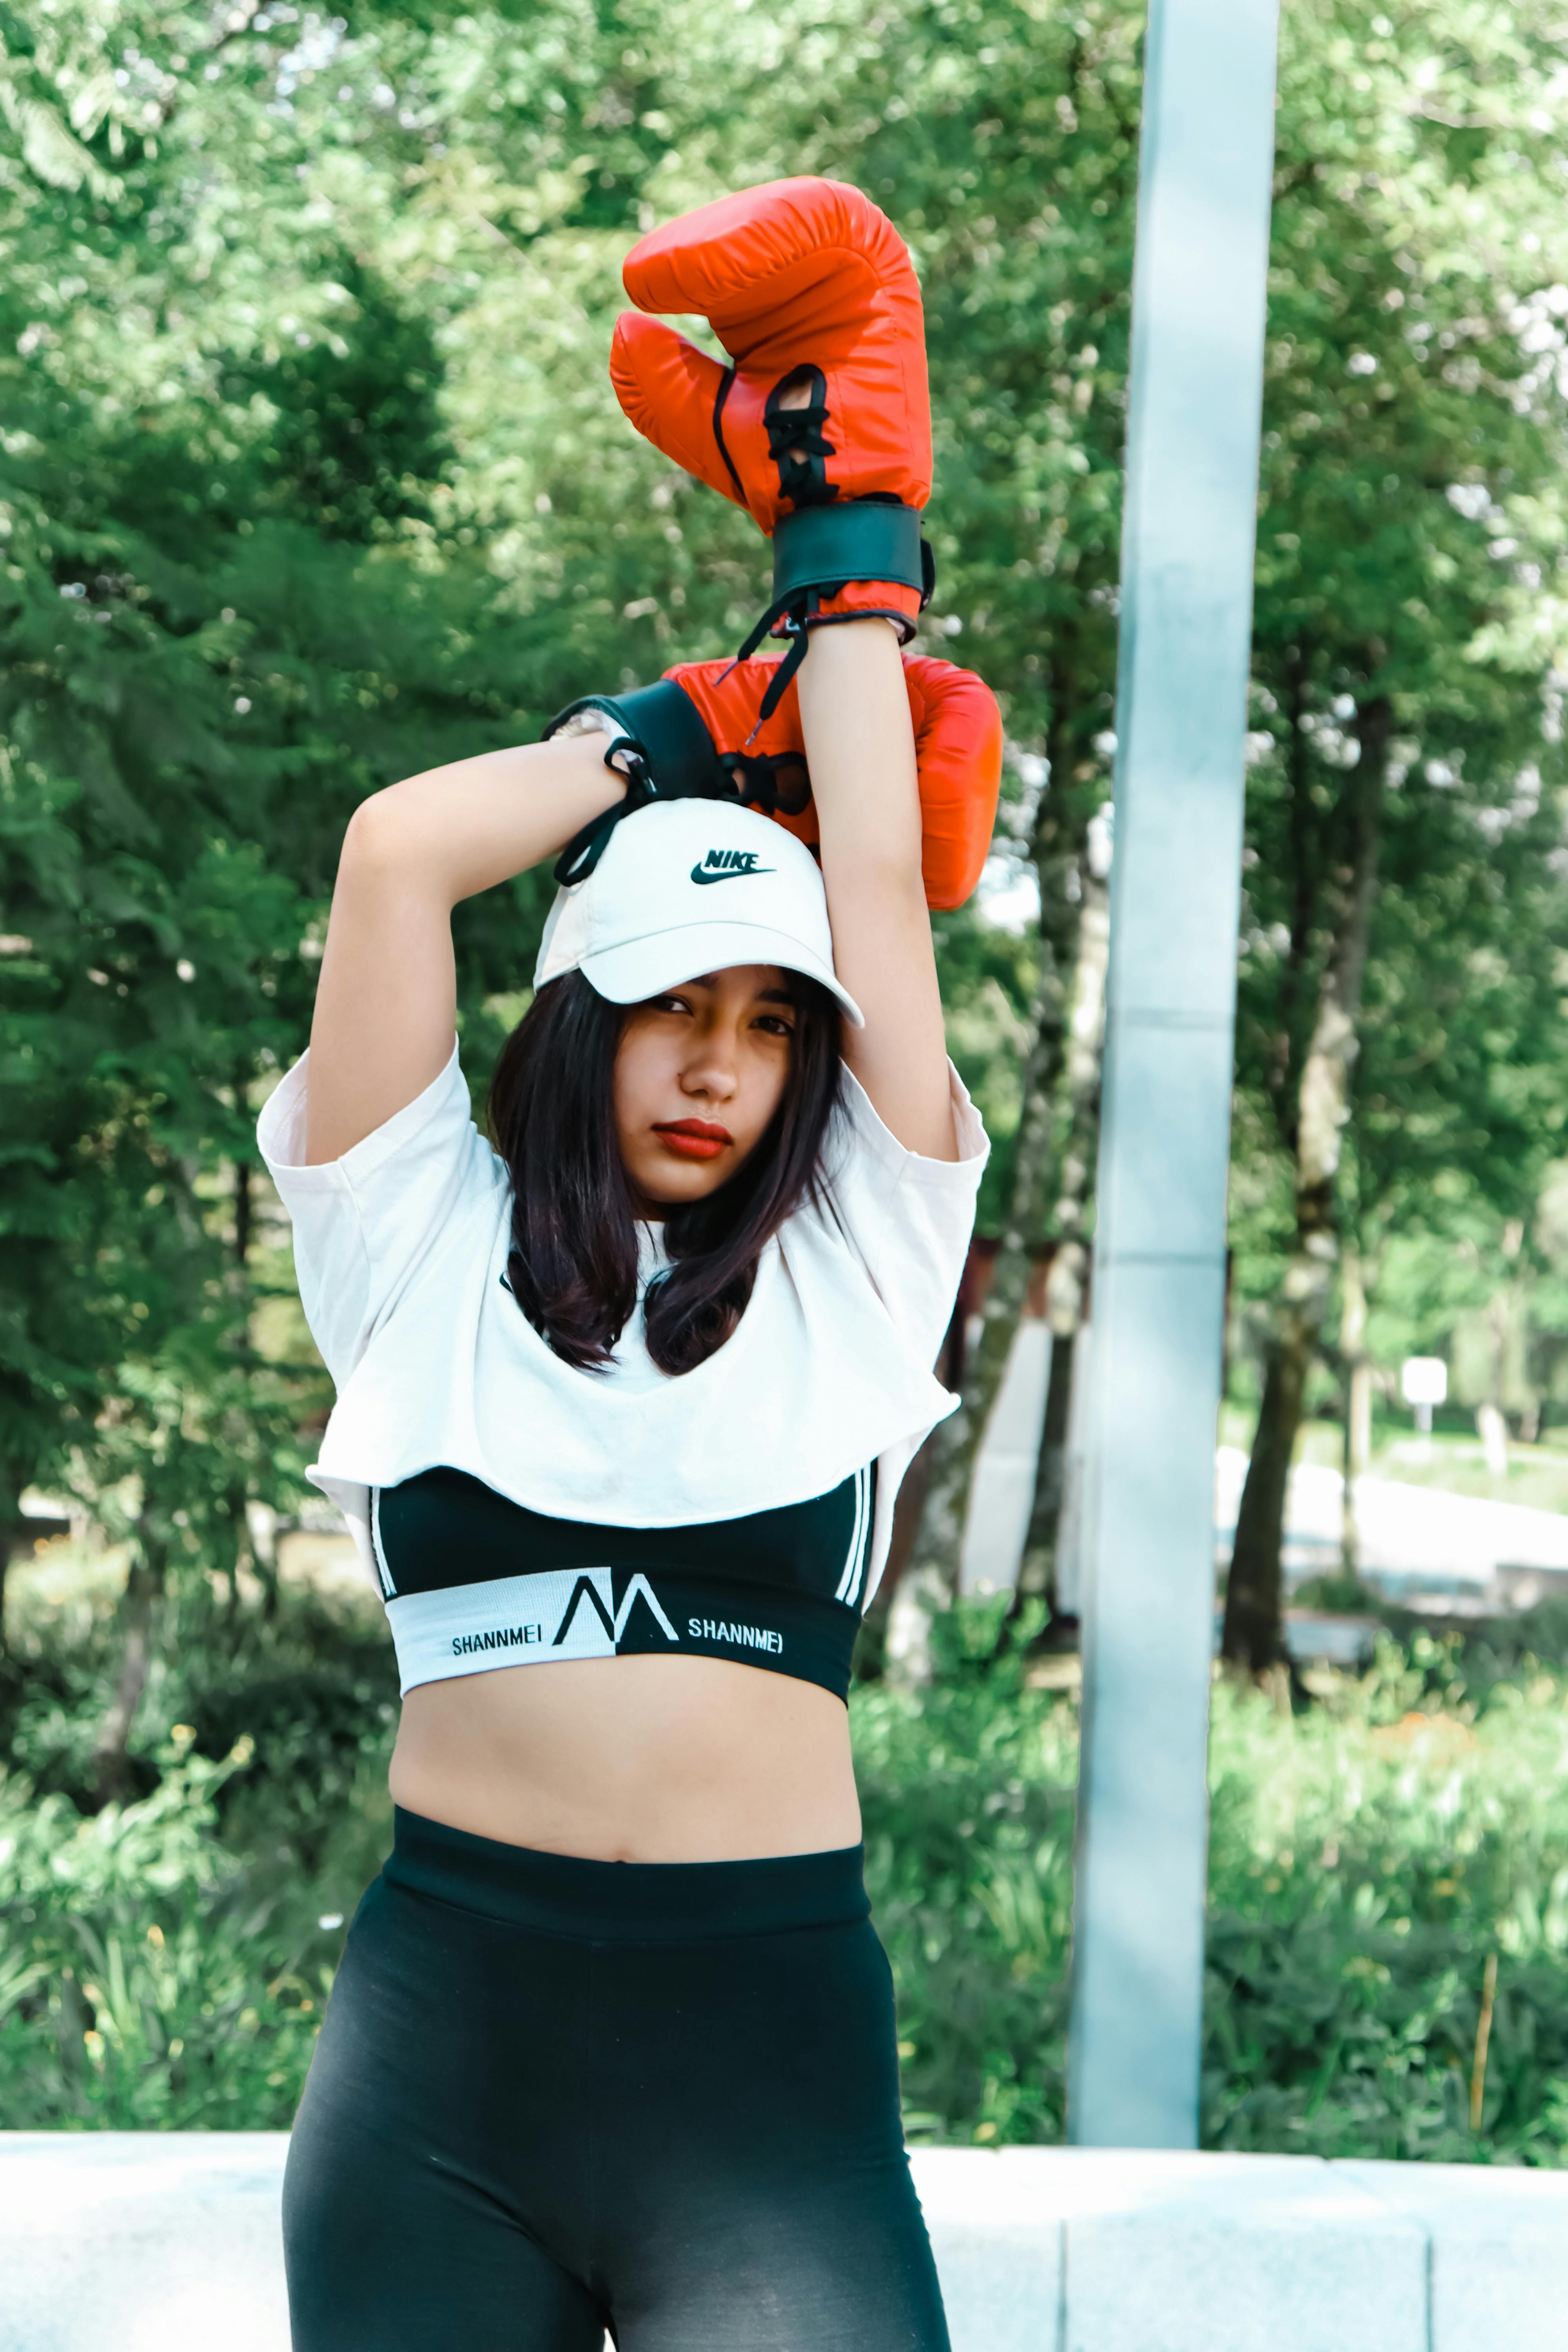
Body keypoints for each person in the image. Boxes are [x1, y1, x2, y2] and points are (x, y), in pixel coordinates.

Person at [261, 192, 987, 2352]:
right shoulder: (424, 1243)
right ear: (584, 1014)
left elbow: (875, 876)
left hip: (759, 2070)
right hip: (441, 2064)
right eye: (679, 1007)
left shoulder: (864, 1247)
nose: (724, 1064)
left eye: (775, 1024)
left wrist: (843, 556)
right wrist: (663, 733)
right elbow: (397, 852)